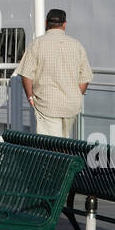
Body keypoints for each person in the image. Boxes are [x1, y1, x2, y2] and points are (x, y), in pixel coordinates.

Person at [17, 8, 92, 138]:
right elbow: (85, 77)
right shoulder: (76, 45)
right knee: (65, 140)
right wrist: (75, 94)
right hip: (71, 104)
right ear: (64, 24)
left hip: (47, 103)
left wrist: (30, 97)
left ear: (46, 23)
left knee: (50, 144)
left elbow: (26, 74)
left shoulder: (37, 44)